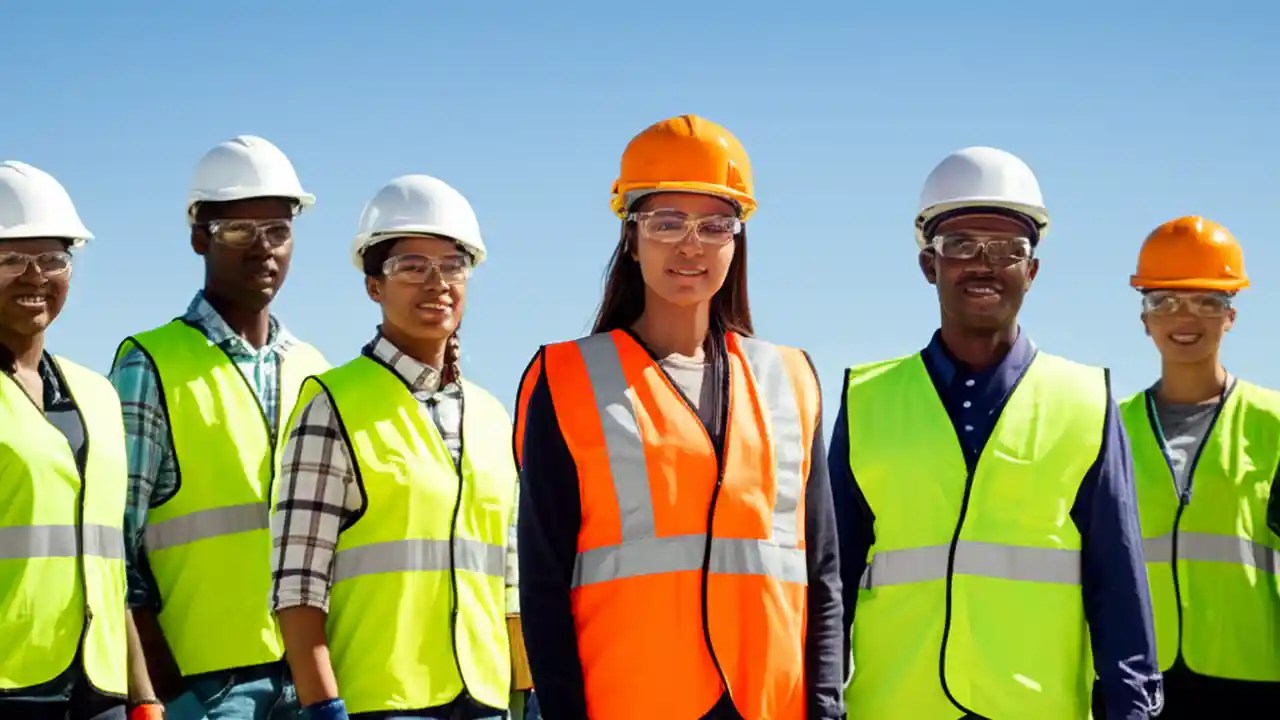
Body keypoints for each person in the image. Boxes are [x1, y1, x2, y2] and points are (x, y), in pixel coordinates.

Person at [513, 114, 845, 720]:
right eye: (666, 222)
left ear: (736, 240)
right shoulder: (566, 381)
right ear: (631, 237)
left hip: (770, 705)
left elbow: (820, 573)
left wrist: (826, 709)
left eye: (715, 225)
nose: (690, 245)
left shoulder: (791, 380)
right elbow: (542, 582)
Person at [828, 146, 1163, 719]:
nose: (984, 264)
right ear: (928, 264)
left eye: (1009, 249)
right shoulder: (865, 400)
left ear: (1032, 271)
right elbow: (829, 587)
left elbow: (1119, 588)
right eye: (960, 245)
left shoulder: (1084, 401)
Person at [269, 174, 519, 720]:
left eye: (453, 265)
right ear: (373, 285)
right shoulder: (333, 405)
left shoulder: (492, 417)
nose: (437, 283)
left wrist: (526, 689)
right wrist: (322, 706)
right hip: (378, 704)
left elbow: (508, 580)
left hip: (486, 701)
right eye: (412, 266)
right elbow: (297, 587)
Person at [108, 135, 330, 719]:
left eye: (278, 230)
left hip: (315, 682)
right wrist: (159, 692)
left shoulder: (317, 370)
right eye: (239, 230)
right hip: (205, 691)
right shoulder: (149, 363)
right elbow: (113, 548)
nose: (263, 249)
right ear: (198, 236)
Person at [0, 161, 161, 720]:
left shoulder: (97, 394)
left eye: (52, 259)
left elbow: (108, 563)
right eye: (11, 259)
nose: (35, 275)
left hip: (99, 689)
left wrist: (142, 694)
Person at [1118, 215, 1280, 717]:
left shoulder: (1274, 423)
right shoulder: (1107, 429)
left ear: (1231, 315)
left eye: (1207, 301)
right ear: (1144, 319)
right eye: (1163, 301)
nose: (1183, 318)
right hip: (1133, 678)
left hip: (1251, 679)